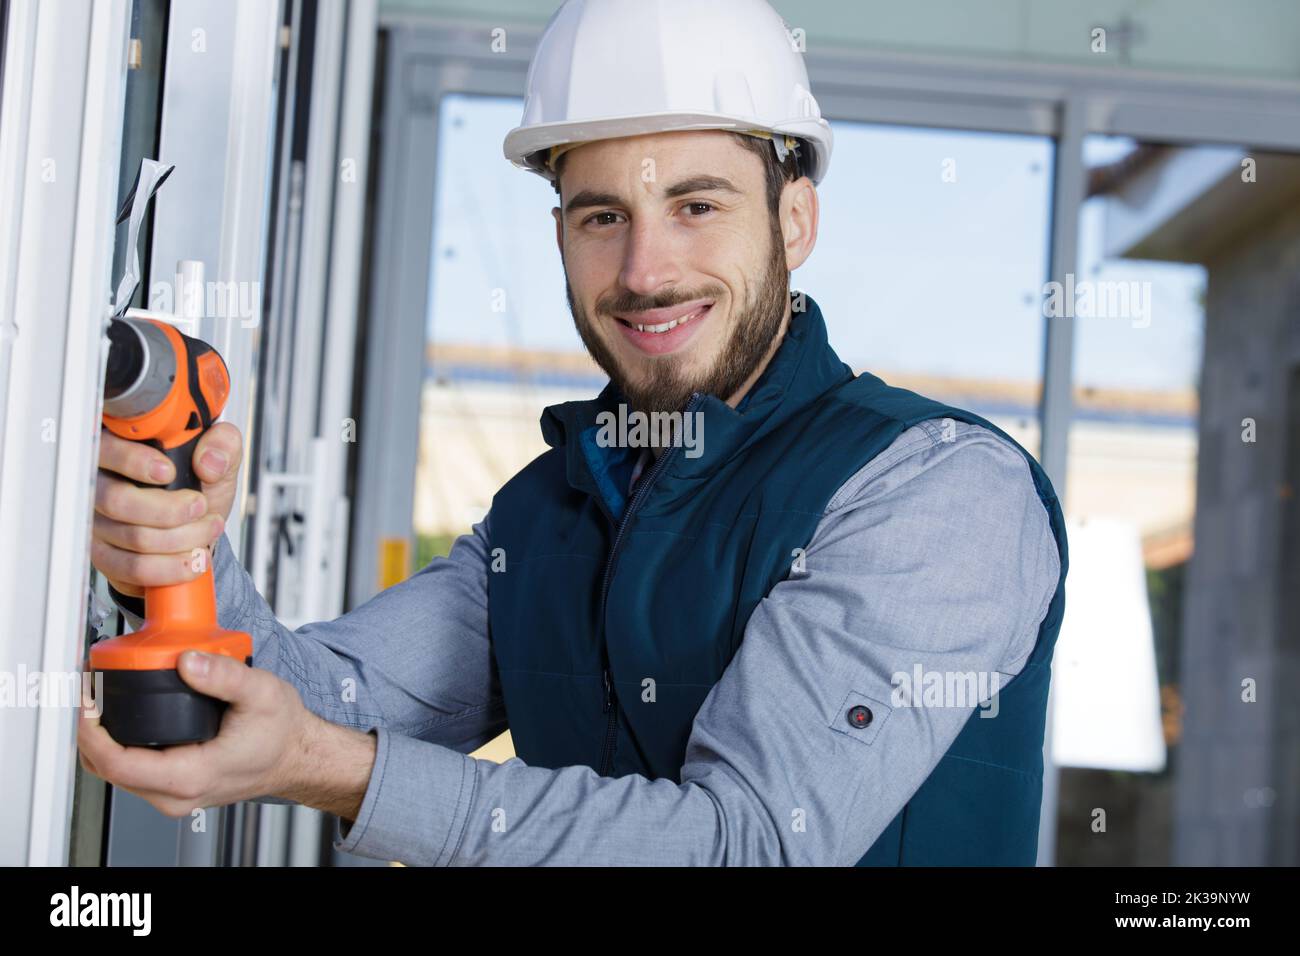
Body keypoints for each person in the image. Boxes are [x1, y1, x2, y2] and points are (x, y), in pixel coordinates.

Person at [81, 0, 1067, 866]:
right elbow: (323, 701)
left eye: (696, 204)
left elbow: (749, 843)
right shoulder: (547, 509)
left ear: (795, 218)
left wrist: (328, 768)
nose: (644, 270)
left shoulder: (936, 489)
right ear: (560, 235)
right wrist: (178, 546)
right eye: (602, 215)